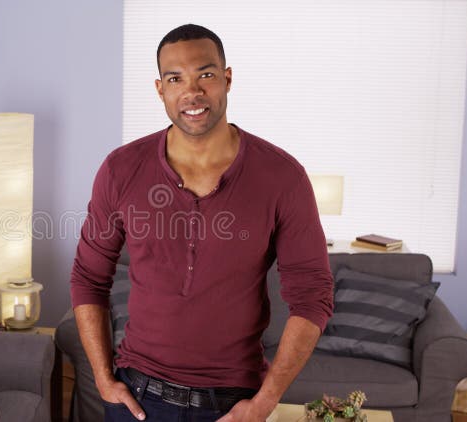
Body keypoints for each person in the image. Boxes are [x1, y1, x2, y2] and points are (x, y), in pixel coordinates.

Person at [70, 24, 334, 422]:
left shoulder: (283, 177)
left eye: (205, 75)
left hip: (231, 404)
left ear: (227, 79)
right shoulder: (121, 169)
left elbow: (313, 295)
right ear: (160, 89)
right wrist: (104, 380)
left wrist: (263, 403)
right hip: (137, 399)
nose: (191, 92)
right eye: (176, 79)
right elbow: (88, 277)